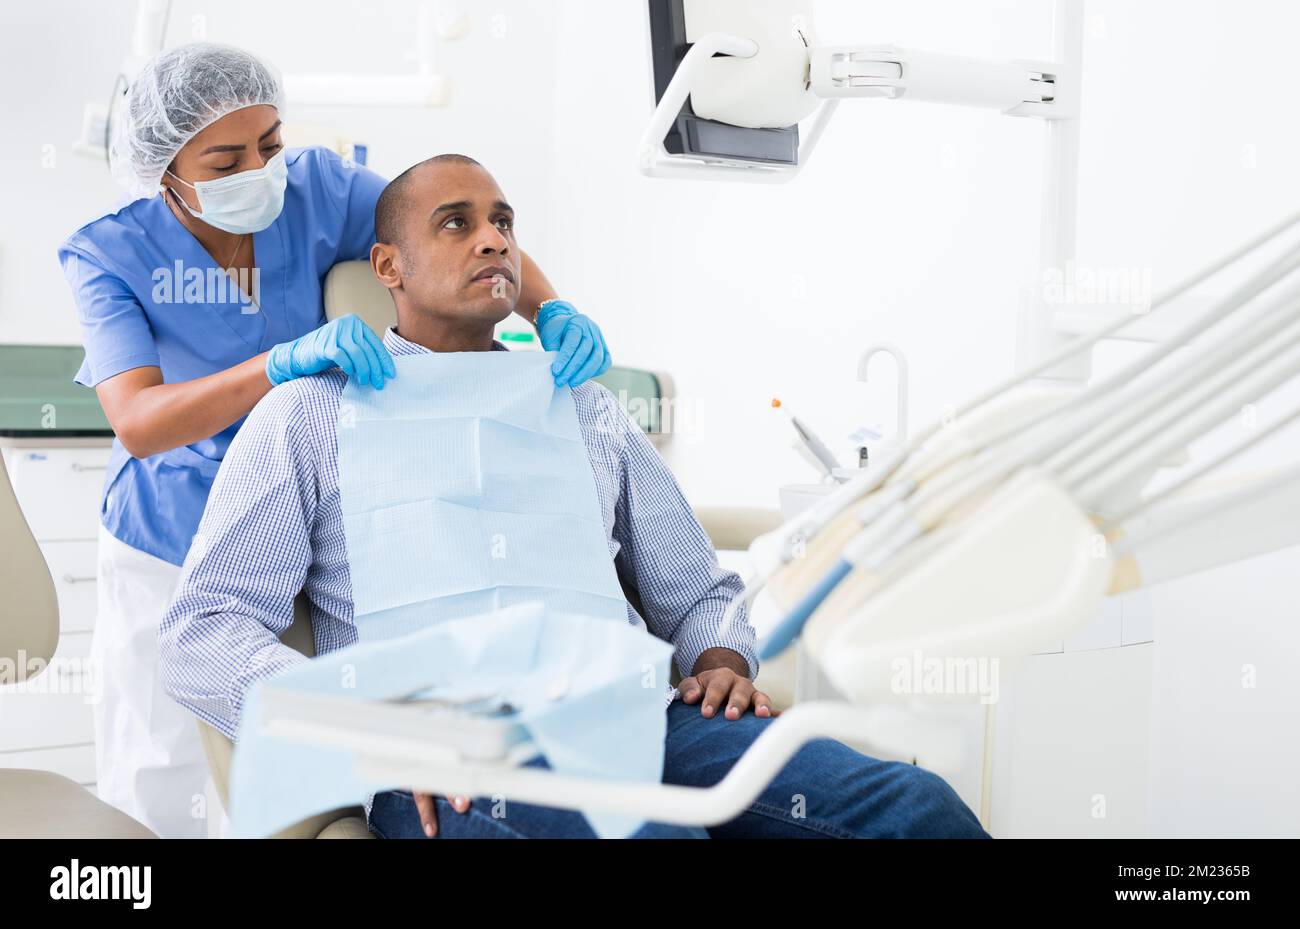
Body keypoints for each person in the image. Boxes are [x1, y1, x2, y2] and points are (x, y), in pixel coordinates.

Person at [159, 154, 990, 839]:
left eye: (504, 223)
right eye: (457, 222)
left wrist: (722, 658)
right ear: (389, 269)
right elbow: (202, 631)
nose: (492, 240)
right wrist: (375, 727)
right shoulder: (310, 412)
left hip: (643, 720)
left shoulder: (582, 403)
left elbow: (695, 589)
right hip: (459, 755)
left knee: (919, 811)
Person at [59, 43, 613, 839]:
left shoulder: (316, 192)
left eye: (271, 144)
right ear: (166, 168)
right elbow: (140, 421)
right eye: (226, 159)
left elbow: (447, 228)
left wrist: (549, 309)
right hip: (169, 539)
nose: (260, 168)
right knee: (161, 779)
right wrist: (280, 365)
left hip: (301, 525)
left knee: (273, 789)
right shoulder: (110, 252)